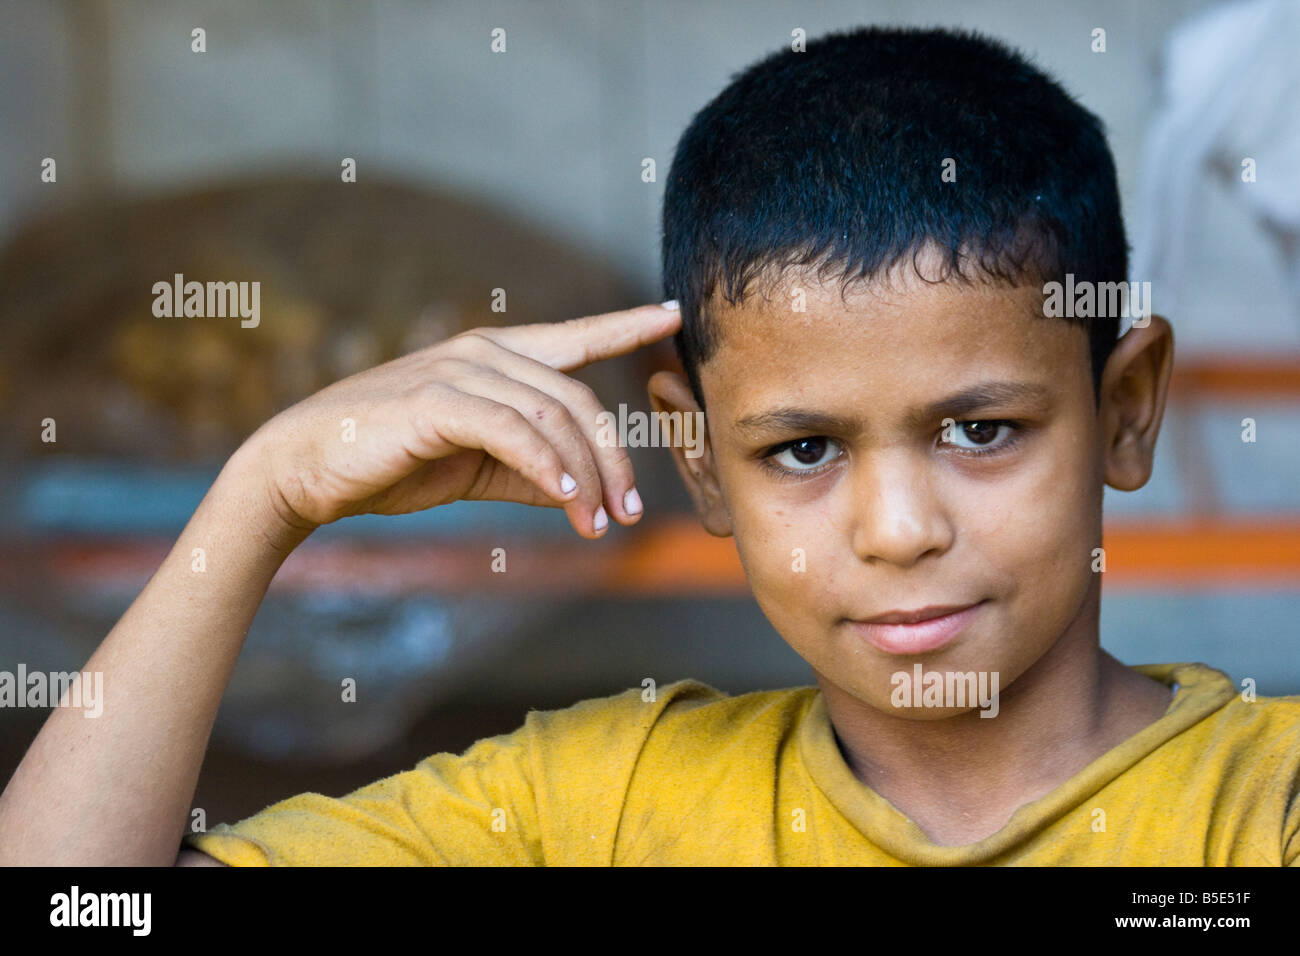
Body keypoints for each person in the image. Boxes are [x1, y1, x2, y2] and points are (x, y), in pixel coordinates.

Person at [2, 24, 1297, 866]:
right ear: (697, 457)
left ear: (1126, 411)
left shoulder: (1256, 805)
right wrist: (262, 494)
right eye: (801, 450)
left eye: (981, 431)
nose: (899, 530)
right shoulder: (595, 809)